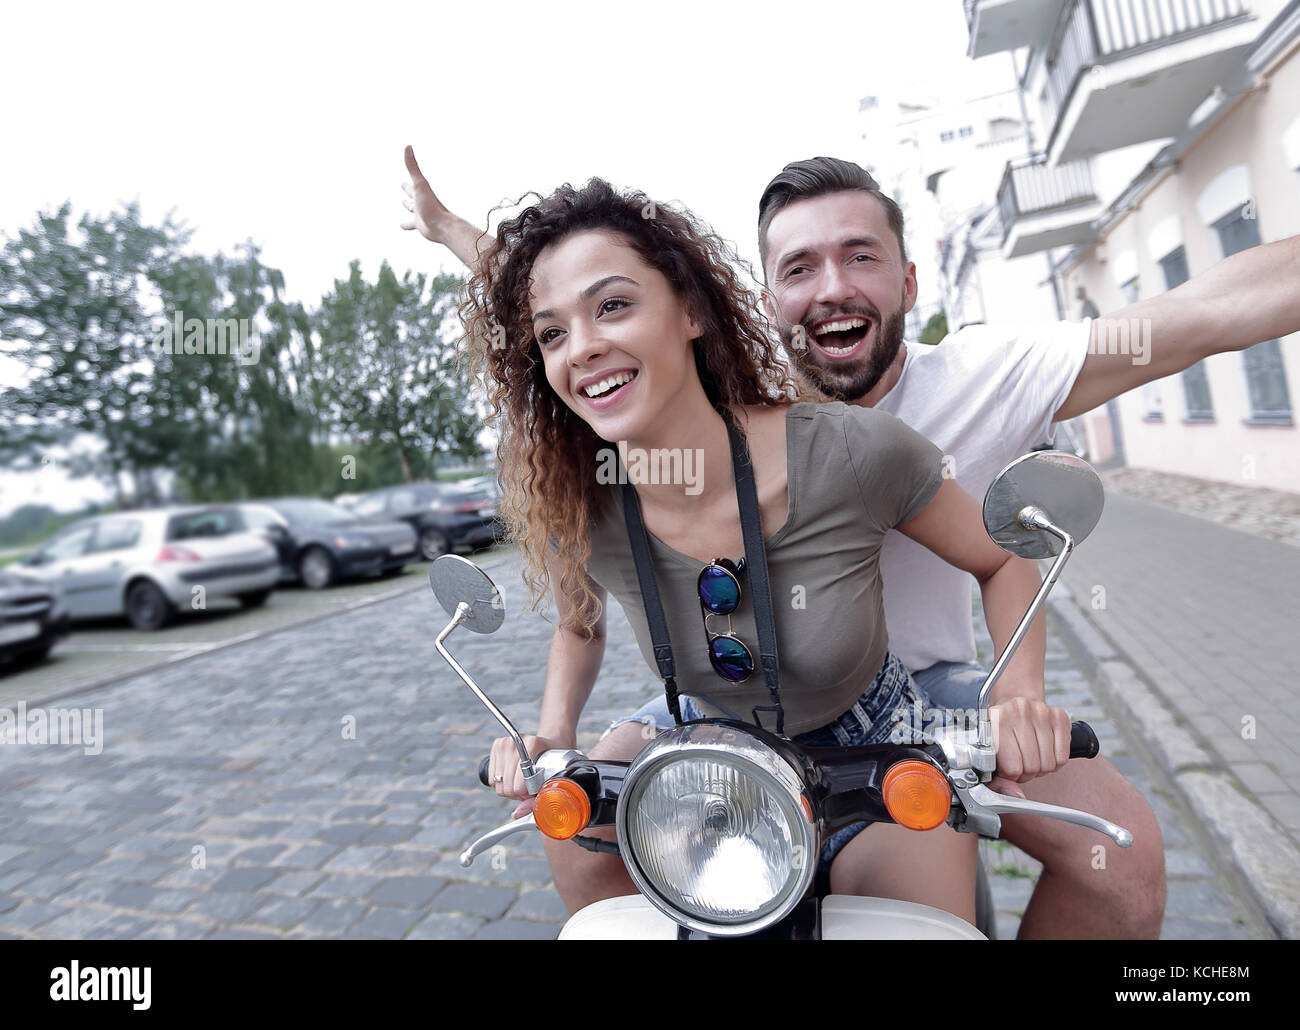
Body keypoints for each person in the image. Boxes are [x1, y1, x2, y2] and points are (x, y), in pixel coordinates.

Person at [406, 148, 1297, 936]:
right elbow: (581, 304)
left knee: (1119, 853)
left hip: (908, 694)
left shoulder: (919, 408)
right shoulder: (608, 460)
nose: (831, 288)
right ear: (757, 299)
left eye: (859, 256)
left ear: (909, 281)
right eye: (799, 266)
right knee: (577, 819)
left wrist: (1019, 696)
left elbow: (1202, 316)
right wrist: (550, 732)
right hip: (711, 716)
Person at [455, 176, 1074, 925]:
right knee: (575, 835)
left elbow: (1004, 557)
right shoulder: (580, 502)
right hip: (704, 748)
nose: (582, 346)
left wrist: (1018, 698)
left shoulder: (851, 451)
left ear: (689, 309)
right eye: (551, 333)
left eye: (612, 305)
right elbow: (579, 623)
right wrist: (550, 734)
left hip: (872, 746)